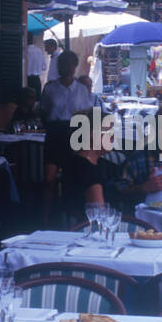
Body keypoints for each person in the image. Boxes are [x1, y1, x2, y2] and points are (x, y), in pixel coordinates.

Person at [39, 50, 94, 212]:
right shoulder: (50, 89)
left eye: (70, 64)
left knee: (72, 178)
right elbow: (43, 112)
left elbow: (86, 114)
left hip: (75, 134)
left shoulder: (82, 90)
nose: (67, 67)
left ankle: (70, 214)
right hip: (55, 135)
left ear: (75, 66)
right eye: (63, 64)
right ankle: (45, 218)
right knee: (49, 180)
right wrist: (51, 127)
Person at [26, 33, 46, 98]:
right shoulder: (39, 51)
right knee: (36, 102)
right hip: (36, 81)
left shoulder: (23, 51)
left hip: (26, 81)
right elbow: (44, 67)